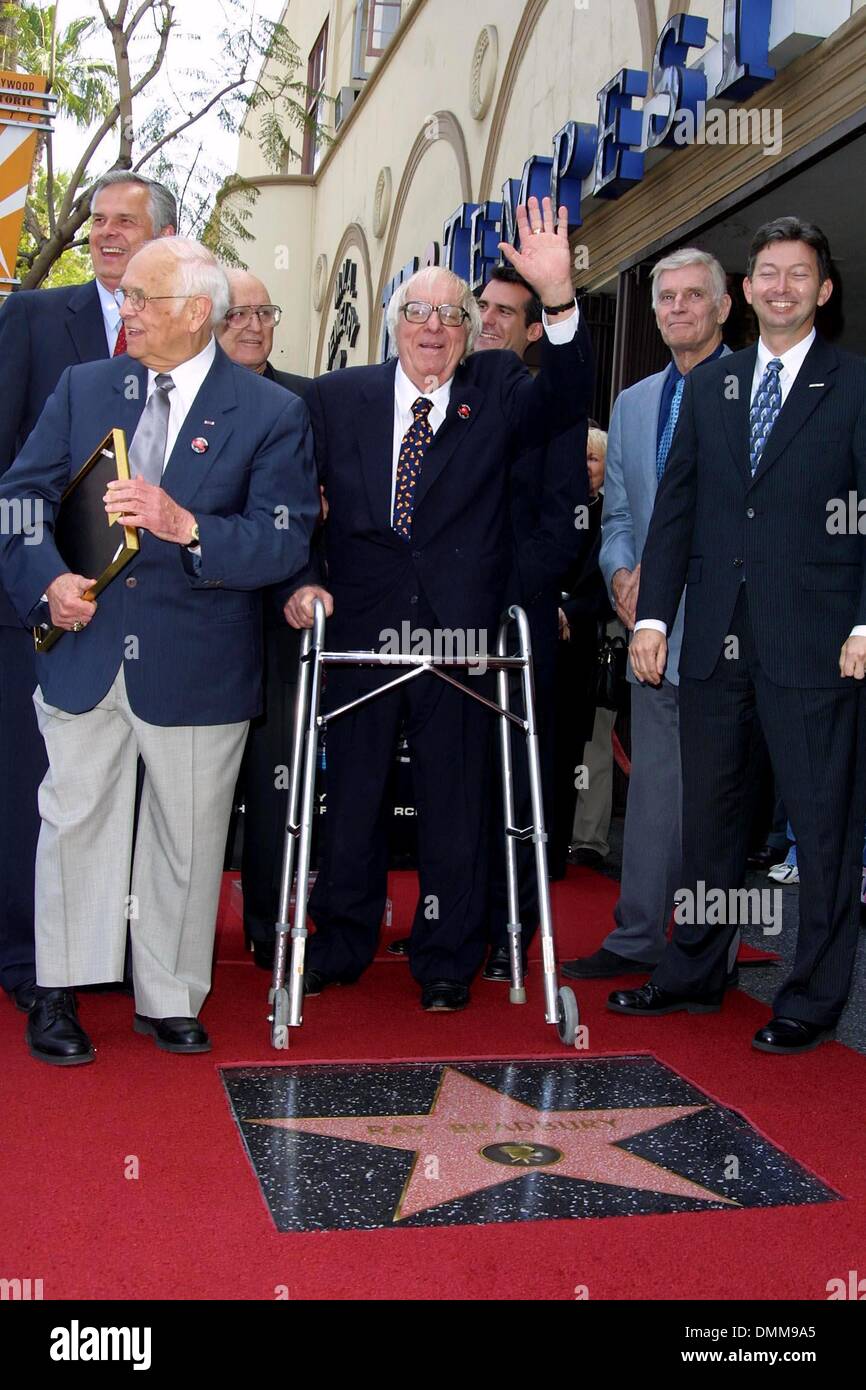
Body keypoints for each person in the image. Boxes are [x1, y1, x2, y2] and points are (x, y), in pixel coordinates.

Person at [0, 238, 318, 1064]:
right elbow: (21, 500)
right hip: (85, 646)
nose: (125, 308)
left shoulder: (272, 413)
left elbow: (283, 542)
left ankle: (170, 996)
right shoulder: (84, 387)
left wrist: (188, 529)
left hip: (197, 662)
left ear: (195, 314)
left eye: (142, 297)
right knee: (73, 822)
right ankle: (59, 991)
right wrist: (47, 585)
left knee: (188, 831)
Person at [285, 195, 594, 1011]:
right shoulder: (335, 397)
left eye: (449, 316)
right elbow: (297, 501)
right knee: (352, 795)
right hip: (358, 624)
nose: (433, 328)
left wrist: (558, 299)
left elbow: (566, 398)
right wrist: (304, 579)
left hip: (462, 632)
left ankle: (449, 957)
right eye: (418, 312)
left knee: (457, 799)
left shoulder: (494, 389)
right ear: (395, 323)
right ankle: (342, 943)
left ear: (469, 330)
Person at [612, 216, 866, 1054]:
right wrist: (653, 617)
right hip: (713, 644)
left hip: (818, 647)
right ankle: (694, 972)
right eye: (767, 273)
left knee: (822, 828)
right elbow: (678, 508)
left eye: (798, 274)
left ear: (822, 293)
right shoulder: (714, 389)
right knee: (711, 824)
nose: (781, 287)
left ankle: (812, 995)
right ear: (748, 290)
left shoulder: (854, 385)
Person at [0, 170, 177, 1015]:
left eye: (126, 222)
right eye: (98, 221)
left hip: (148, 625)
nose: (107, 234)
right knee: (39, 790)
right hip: (40, 611)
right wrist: (36, 580)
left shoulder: (181, 335)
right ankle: (31, 963)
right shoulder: (35, 320)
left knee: (125, 797)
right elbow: (10, 480)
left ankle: (105, 957)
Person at [386, 264, 590, 976]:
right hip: (441, 621)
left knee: (516, 785)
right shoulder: (438, 398)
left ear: (533, 329)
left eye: (507, 312)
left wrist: (505, 598)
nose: (491, 321)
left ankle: (512, 934)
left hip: (512, 622)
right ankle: (453, 920)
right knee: (453, 785)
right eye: (485, 309)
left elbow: (563, 527)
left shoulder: (537, 405)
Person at [563, 249, 732, 981]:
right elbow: (622, 514)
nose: (679, 308)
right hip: (650, 629)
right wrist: (623, 575)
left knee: (721, 796)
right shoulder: (632, 404)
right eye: (667, 297)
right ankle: (636, 938)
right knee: (658, 787)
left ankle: (707, 954)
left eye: (696, 296)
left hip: (730, 625)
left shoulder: (753, 390)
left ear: (726, 308)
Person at [216, 269, 313, 969]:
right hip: (199, 624)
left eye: (265, 313)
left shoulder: (307, 401)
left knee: (276, 781)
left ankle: (267, 927)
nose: (254, 326)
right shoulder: (183, 398)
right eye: (238, 314)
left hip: (282, 626)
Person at [551, 427, 613, 877]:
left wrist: (571, 610)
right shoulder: (555, 506)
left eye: (593, 460)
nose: (584, 467)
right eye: (580, 458)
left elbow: (609, 576)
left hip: (590, 638)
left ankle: (588, 840)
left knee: (591, 746)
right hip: (546, 637)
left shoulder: (614, 514)